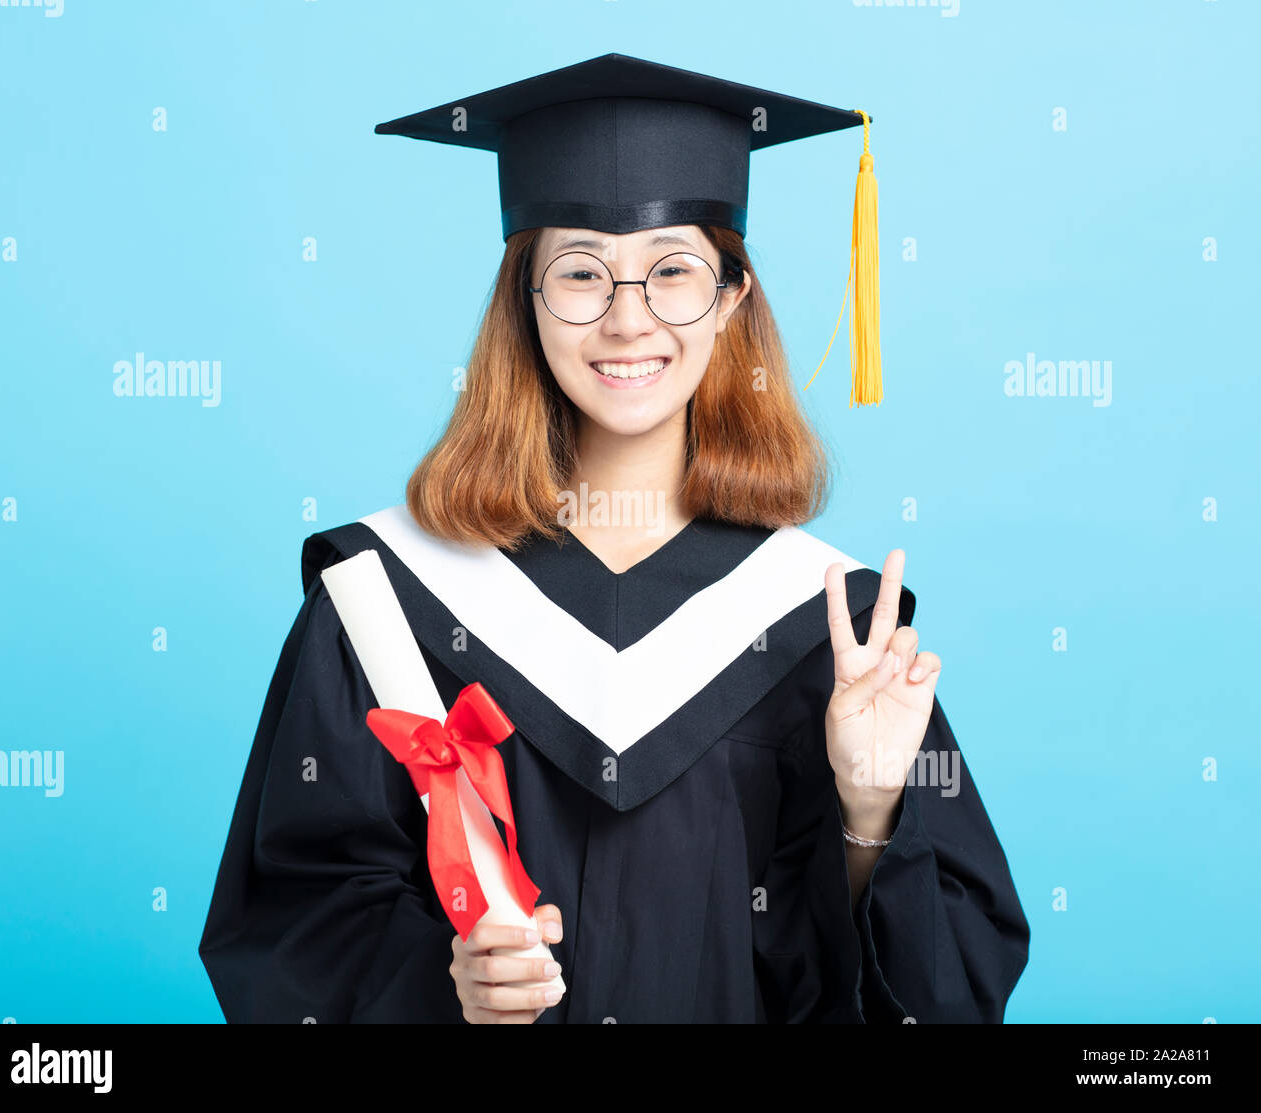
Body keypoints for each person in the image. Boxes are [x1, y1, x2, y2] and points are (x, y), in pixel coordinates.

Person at [198, 53, 1030, 1024]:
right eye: (580, 274)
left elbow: (939, 989)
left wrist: (869, 810)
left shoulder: (823, 625)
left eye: (672, 272)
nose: (627, 320)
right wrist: (445, 981)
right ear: (526, 301)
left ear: (731, 301)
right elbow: (294, 913)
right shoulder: (386, 596)